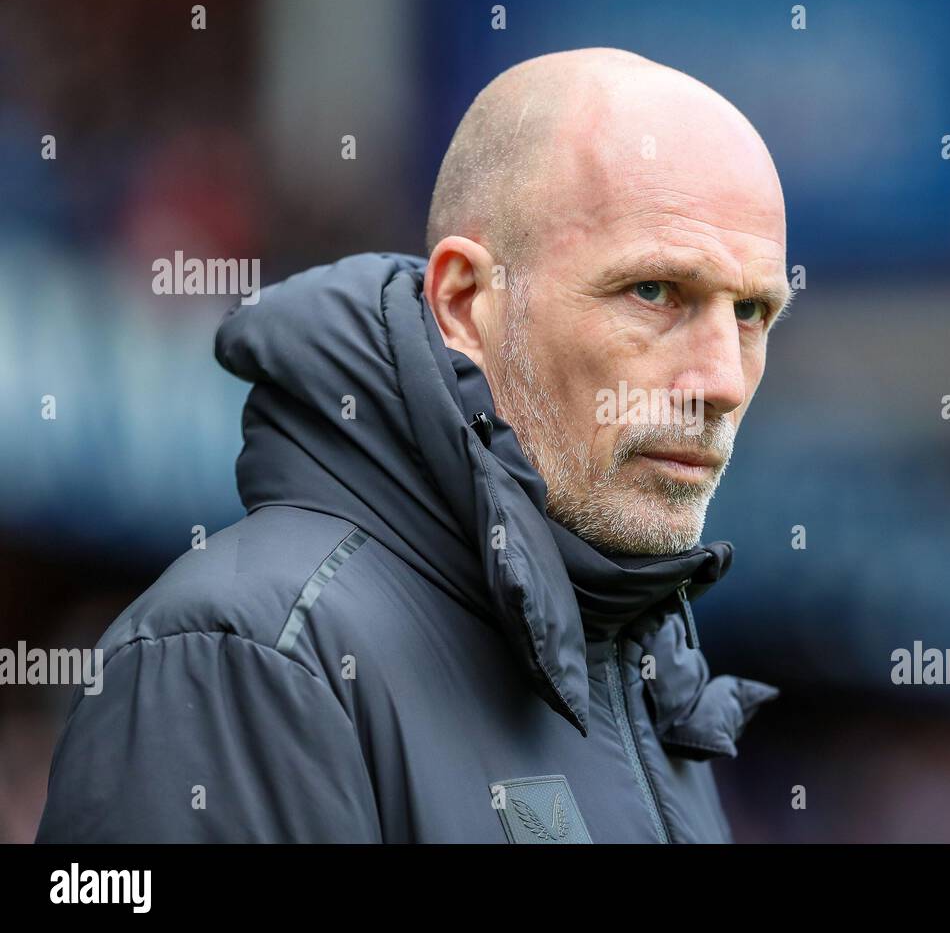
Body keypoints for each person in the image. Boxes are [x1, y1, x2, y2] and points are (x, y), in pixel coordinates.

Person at [36, 47, 791, 843]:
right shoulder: (241, 659)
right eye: (655, 291)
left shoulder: (653, 688)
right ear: (466, 302)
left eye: (750, 313)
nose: (723, 382)